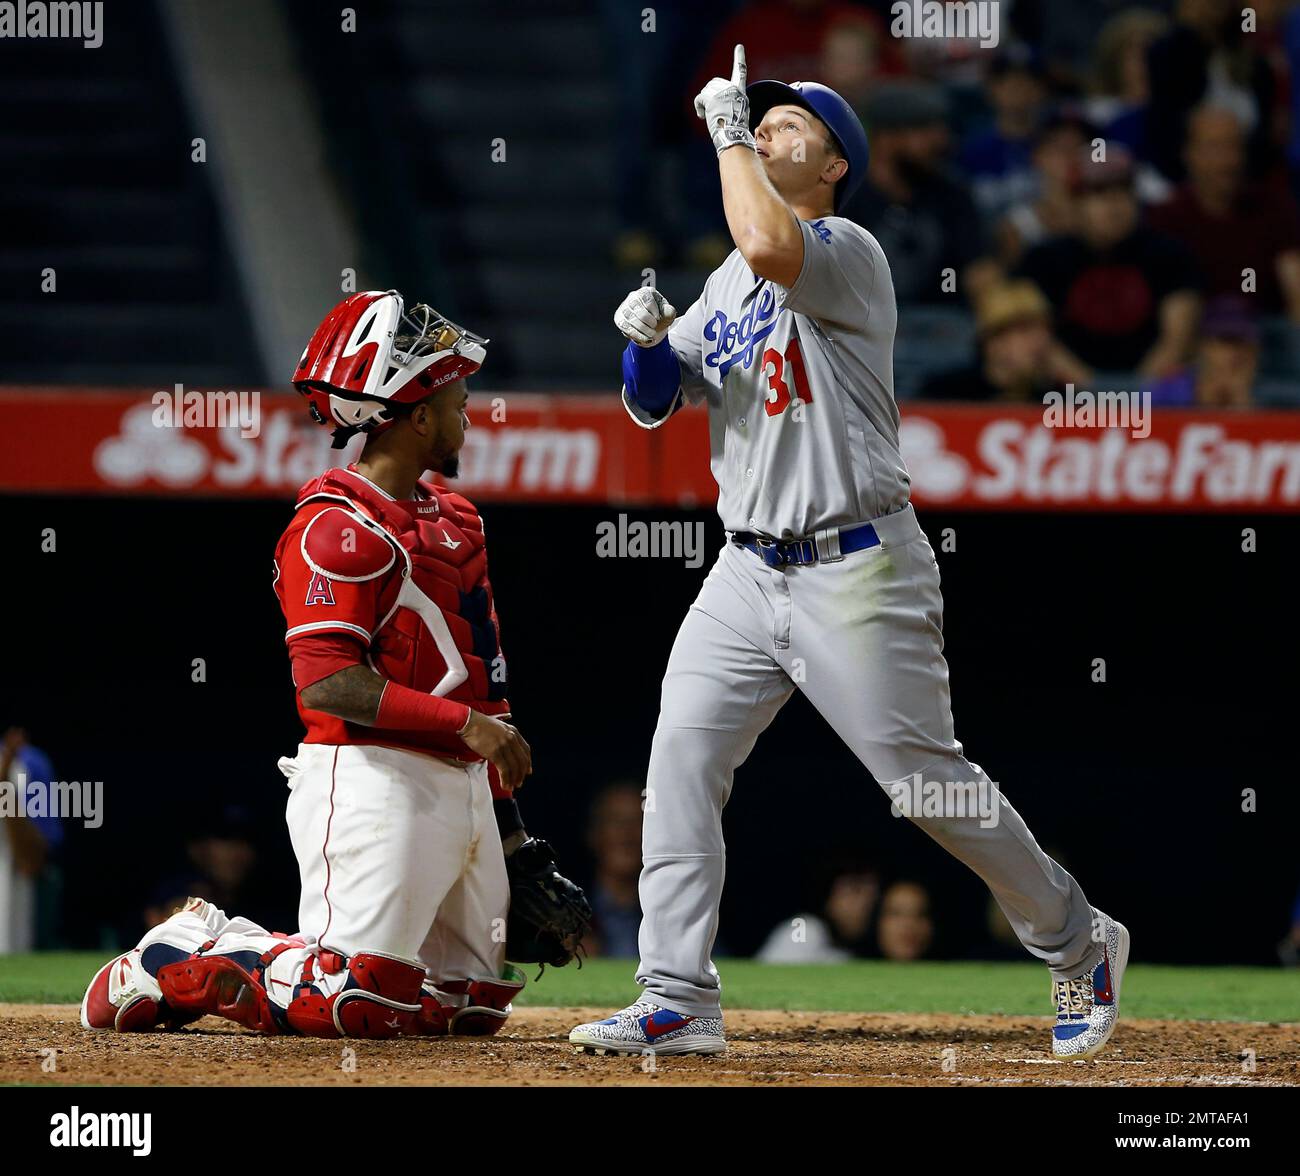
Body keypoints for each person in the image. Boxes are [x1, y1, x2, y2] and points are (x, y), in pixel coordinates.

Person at [569, 46, 1129, 1061]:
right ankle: (676, 995)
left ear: (835, 164)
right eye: (762, 121)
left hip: (856, 562)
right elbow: (653, 402)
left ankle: (1076, 938)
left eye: (792, 126)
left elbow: (769, 241)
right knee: (680, 760)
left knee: (924, 786)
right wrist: (646, 342)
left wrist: (728, 130)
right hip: (745, 567)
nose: (767, 128)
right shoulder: (730, 276)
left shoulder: (844, 249)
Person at [81, 292, 589, 1038]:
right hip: (370, 774)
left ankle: (242, 961)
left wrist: (514, 837)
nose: (468, 413)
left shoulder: (459, 520)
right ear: (416, 416)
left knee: (466, 1004)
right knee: (356, 997)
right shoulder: (334, 526)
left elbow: (486, 684)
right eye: (456, 398)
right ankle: (182, 949)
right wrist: (467, 726)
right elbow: (327, 682)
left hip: (463, 782)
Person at [1018, 147, 1202, 376]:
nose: (1115, 204)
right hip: (1063, 396)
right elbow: (1034, 334)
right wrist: (1091, 390)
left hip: (1154, 396)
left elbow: (1177, 339)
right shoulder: (1044, 259)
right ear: (1075, 203)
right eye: (1099, 192)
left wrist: (1134, 395)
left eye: (1124, 191)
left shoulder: (1169, 254)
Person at [840, 80, 999, 306]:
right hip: (867, 329)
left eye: (941, 131)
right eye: (925, 132)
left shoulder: (953, 196)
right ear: (885, 139)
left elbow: (977, 270)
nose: (941, 142)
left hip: (946, 325)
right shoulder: (844, 200)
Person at [1148, 105, 1300, 320]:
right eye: (1215, 147)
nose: (1229, 161)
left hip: (1264, 333)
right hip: (1197, 337)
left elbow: (1296, 294)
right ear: (1189, 154)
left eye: (1235, 146)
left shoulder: (1274, 207)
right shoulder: (1165, 220)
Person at [920, 280, 1088, 401]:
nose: (1042, 340)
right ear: (993, 342)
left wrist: (1081, 383)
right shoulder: (945, 393)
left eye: (1045, 330)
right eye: (1026, 330)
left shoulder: (1056, 399)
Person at [0, 727, 61, 953]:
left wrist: (30, 854)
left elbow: (40, 827)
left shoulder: (31, 763)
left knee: (15, 936)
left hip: (17, 865)